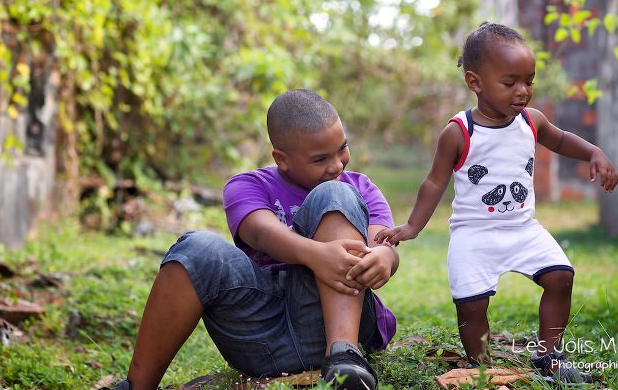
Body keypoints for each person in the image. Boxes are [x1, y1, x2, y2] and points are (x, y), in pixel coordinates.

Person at [107, 89, 400, 390]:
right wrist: (316, 254)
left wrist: (385, 258)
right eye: (320, 158)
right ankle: (136, 386)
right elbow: (260, 232)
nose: (337, 165)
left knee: (334, 193)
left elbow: (382, 243)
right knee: (195, 248)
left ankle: (344, 360)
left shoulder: (359, 187)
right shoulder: (248, 185)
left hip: (328, 326)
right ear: (282, 159)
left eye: (342, 149)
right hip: (262, 334)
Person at [376, 22, 618, 384]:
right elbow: (434, 182)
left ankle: (549, 355)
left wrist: (594, 152)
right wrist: (411, 227)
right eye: (510, 83)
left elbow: (562, 140)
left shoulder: (531, 121)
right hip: (474, 234)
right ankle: (480, 365)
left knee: (560, 277)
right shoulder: (459, 132)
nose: (523, 91)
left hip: (523, 228)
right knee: (471, 303)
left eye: (529, 81)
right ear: (475, 82)